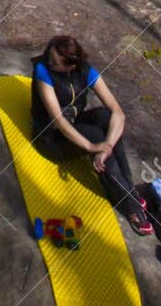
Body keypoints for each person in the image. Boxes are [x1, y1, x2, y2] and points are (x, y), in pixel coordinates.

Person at [31, 35, 153, 234]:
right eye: (49, 57)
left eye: (55, 61)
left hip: (76, 123)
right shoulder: (43, 70)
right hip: (49, 135)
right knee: (96, 135)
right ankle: (132, 207)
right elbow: (59, 122)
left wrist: (107, 148)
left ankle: (127, 189)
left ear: (71, 66)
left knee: (105, 117)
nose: (49, 62)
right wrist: (92, 147)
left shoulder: (86, 71)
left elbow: (118, 112)